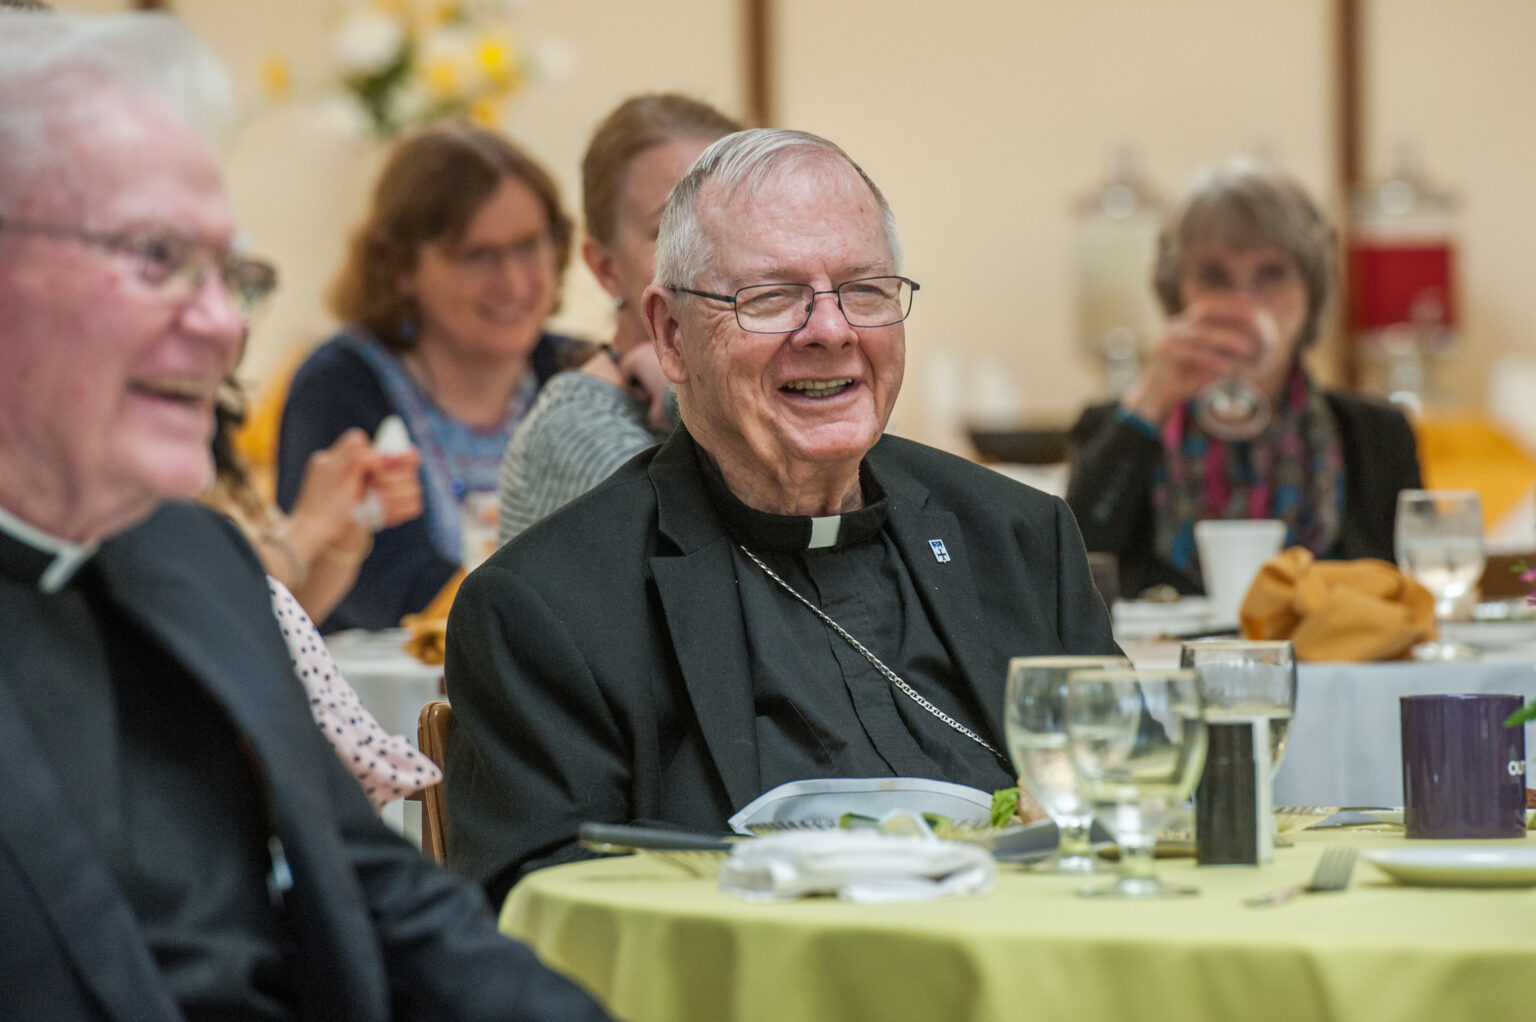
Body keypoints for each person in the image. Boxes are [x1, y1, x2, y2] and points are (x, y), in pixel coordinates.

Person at [0, 11, 611, 1018]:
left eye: (229, 272)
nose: (222, 325)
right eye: (156, 256)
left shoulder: (193, 556)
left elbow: (384, 896)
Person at [446, 127, 1121, 905]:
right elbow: (547, 917)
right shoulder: (549, 610)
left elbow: (1139, 815)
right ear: (670, 336)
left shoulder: (1021, 542)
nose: (831, 330)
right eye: (770, 298)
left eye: (865, 290)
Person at [278, 119, 587, 632]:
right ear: (400, 267)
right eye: (477, 256)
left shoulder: (581, 371)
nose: (513, 283)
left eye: (530, 246)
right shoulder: (339, 386)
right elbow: (380, 592)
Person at [1066, 158, 1423, 599]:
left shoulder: (1376, 435)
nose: (1241, 303)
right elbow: (1067, 574)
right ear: (1178, 295)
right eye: (1215, 277)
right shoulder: (1116, 428)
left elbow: (1407, 596)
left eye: (1270, 274)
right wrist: (1149, 403)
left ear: (1311, 292)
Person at [496, 94, 741, 544]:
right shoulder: (574, 426)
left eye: (741, 223)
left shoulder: (765, 383)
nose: (721, 256)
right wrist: (682, 398)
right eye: (672, 230)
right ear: (606, 268)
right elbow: (723, 562)